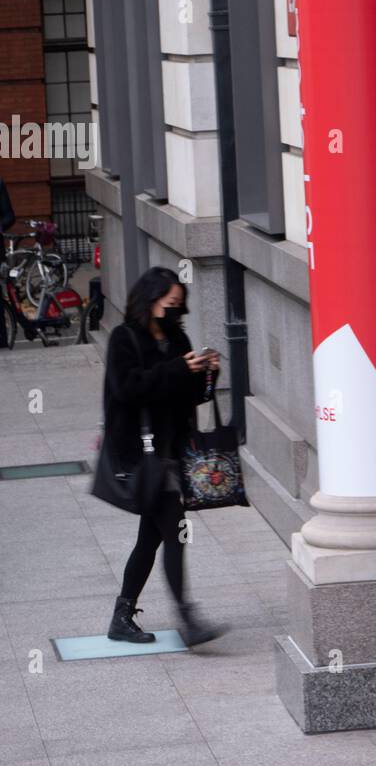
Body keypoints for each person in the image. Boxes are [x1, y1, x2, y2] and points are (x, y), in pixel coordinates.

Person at [102, 266, 225, 647]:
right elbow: (127, 389)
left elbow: (192, 396)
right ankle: (188, 619)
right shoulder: (125, 339)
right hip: (141, 454)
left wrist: (207, 375)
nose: (175, 310)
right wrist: (176, 368)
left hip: (171, 452)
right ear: (151, 300)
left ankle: (122, 616)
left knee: (151, 539)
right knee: (174, 532)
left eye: (179, 304)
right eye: (170, 303)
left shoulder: (177, 336)